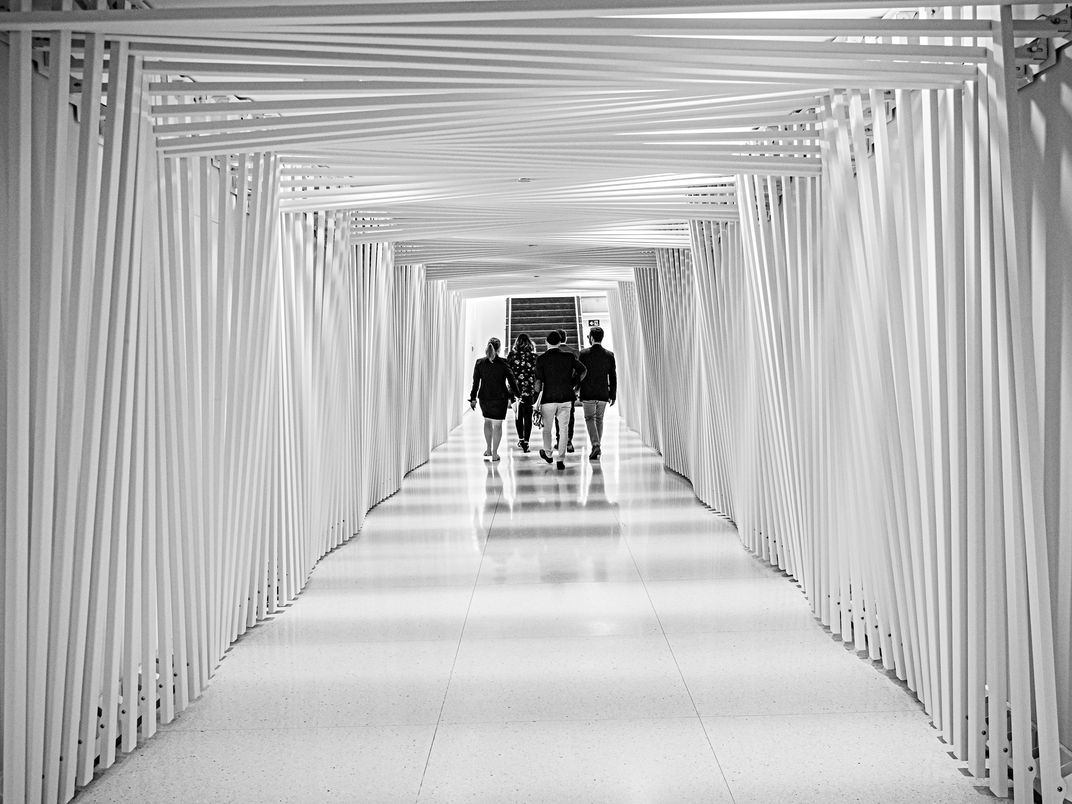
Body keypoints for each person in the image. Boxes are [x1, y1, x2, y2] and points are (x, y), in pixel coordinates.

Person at [534, 330, 586, 471]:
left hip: (548, 399)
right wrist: (573, 384)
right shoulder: (568, 356)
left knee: (547, 429)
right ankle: (561, 460)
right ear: (559, 342)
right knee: (564, 430)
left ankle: (548, 454)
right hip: (565, 398)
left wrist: (535, 398)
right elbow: (583, 370)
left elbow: (538, 382)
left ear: (546, 342)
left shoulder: (541, 359)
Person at [469, 337, 519, 461]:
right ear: (499, 349)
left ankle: (488, 449)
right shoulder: (504, 362)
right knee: (497, 426)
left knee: (487, 422)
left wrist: (473, 398)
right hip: (500, 398)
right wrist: (518, 394)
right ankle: (495, 453)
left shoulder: (480, 362)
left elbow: (475, 383)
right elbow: (512, 380)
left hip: (484, 398)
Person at [578, 326, 617, 461]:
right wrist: (613, 394)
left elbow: (579, 374)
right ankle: (597, 447)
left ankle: (595, 445)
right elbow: (613, 376)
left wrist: (576, 389)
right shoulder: (609, 355)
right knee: (599, 419)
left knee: (589, 418)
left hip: (588, 392)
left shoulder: (583, 354)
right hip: (602, 393)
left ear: (591, 338)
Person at [506, 333, 538, 452]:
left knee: (518, 415)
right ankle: (526, 442)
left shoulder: (511, 356)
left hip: (516, 391)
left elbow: (507, 373)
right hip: (530, 390)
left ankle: (520, 438)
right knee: (528, 416)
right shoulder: (534, 357)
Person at [554, 327, 579, 452]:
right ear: (565, 338)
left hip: (554, 390)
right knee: (570, 416)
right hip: (570, 389)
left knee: (557, 415)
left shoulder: (552, 353)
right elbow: (581, 371)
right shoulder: (574, 352)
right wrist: (575, 385)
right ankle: (568, 441)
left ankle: (559, 441)